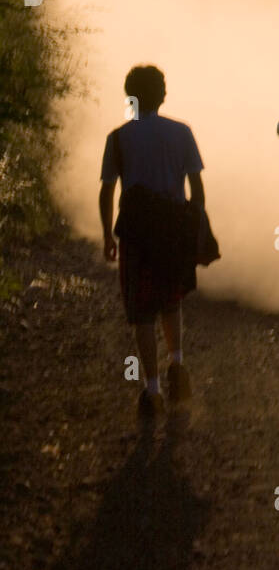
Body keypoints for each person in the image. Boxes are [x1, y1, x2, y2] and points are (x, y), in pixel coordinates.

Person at [99, 65, 205, 417]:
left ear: (131, 96)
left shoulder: (117, 138)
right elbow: (197, 187)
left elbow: (107, 190)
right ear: (162, 95)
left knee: (141, 312)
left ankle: (152, 390)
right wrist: (196, 225)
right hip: (172, 228)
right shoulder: (182, 133)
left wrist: (106, 235)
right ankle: (177, 366)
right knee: (170, 301)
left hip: (136, 232)